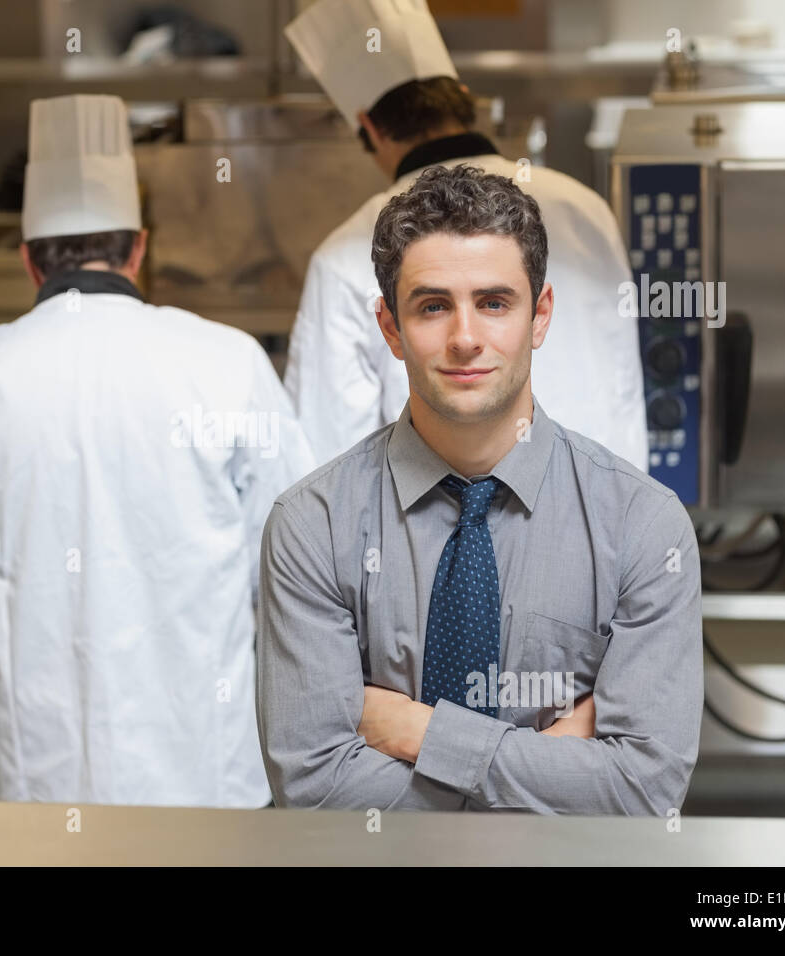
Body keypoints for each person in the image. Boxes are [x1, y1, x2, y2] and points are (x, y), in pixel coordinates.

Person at [0, 94, 315, 807]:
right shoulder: (227, 361)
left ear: (30, 261)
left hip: (38, 759)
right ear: (141, 248)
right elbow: (291, 551)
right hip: (201, 762)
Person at [256, 164, 702, 814]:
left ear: (540, 315)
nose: (466, 338)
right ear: (390, 328)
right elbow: (316, 788)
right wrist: (557, 760)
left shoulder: (643, 527)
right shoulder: (312, 526)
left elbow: (641, 789)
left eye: (494, 303)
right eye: (433, 306)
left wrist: (417, 732)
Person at [283, 0, 647, 470]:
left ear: (369, 129)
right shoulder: (586, 208)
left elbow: (328, 451)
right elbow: (624, 389)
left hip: (438, 534)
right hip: (603, 511)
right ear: (464, 97)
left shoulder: (345, 252)